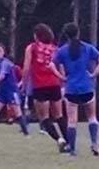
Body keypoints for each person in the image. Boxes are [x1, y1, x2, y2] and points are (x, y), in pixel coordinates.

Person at [53, 23, 99, 156]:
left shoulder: (62, 51)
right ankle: (94, 144)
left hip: (71, 89)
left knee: (72, 120)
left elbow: (51, 65)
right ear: (78, 33)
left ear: (66, 35)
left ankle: (72, 150)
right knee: (92, 117)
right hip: (87, 87)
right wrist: (94, 74)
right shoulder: (87, 47)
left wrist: (61, 77)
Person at [22, 23, 69, 152]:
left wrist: (23, 83)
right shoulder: (55, 49)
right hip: (55, 84)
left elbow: (26, 68)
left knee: (44, 118)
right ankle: (69, 141)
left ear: (37, 36)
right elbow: (61, 68)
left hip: (40, 85)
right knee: (59, 115)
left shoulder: (31, 48)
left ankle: (60, 140)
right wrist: (63, 81)